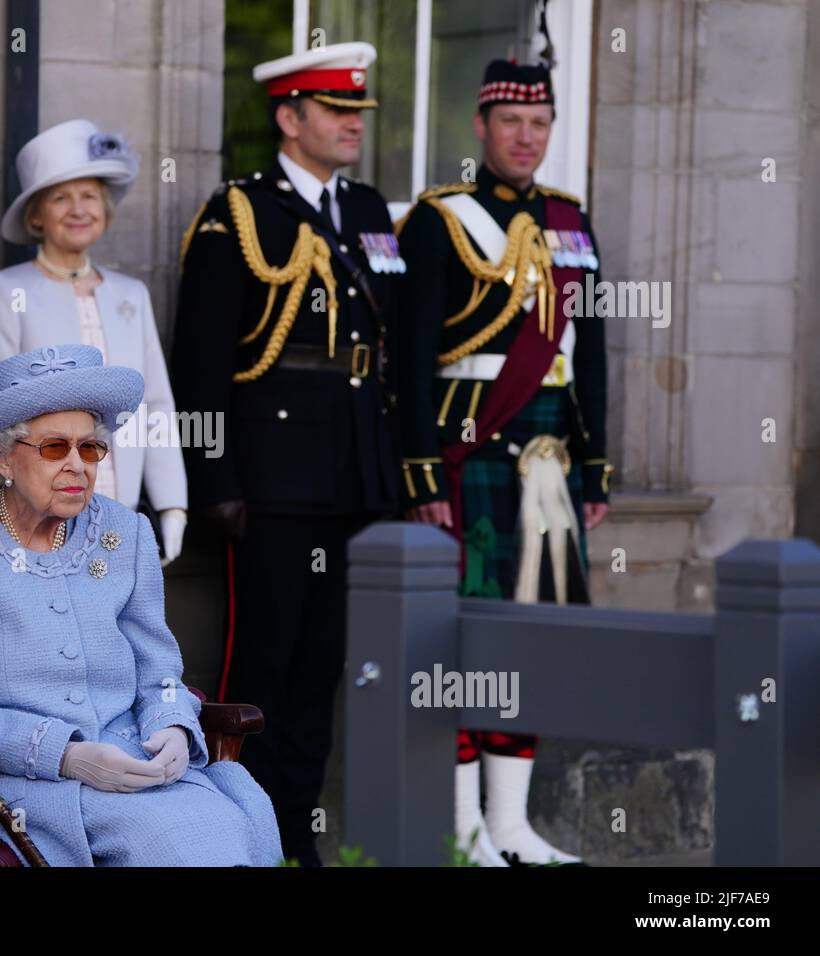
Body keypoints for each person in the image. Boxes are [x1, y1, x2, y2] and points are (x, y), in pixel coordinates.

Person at [0, 344, 281, 866]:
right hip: (29, 784)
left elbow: (160, 671)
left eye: (91, 448)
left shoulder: (128, 531)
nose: (78, 465)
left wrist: (171, 725)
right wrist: (69, 756)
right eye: (55, 448)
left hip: (140, 764)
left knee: (239, 820)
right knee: (173, 841)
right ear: (3, 454)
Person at [170, 41, 402, 866]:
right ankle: (244, 834)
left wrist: (398, 471)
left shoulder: (370, 210)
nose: (351, 126)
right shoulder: (239, 209)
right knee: (261, 664)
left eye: (356, 115)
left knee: (323, 669)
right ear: (288, 117)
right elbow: (201, 356)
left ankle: (296, 831)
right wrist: (217, 476)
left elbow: (391, 347)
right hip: (271, 477)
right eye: (336, 112)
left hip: (353, 474)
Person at [397, 56, 611, 866]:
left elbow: (589, 355)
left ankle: (513, 826)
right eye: (511, 122)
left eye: (540, 123)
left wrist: (597, 468)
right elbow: (410, 360)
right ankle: (463, 832)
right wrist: (421, 472)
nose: (527, 137)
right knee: (465, 643)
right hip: (470, 445)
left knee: (533, 639)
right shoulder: (440, 219)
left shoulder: (570, 219)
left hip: (551, 459)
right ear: (481, 128)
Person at [0, 119, 189, 563]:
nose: (78, 209)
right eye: (60, 198)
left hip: (120, 518)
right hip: (32, 523)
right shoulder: (5, 291)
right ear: (36, 215)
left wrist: (172, 504)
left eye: (89, 196)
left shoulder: (131, 295)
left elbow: (156, 407)